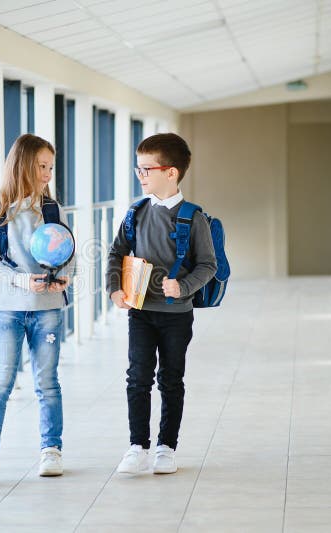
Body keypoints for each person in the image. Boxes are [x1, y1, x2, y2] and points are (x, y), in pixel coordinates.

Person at [106, 133, 217, 474]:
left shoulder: (192, 218)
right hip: (140, 312)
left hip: (176, 316)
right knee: (137, 378)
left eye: (146, 169)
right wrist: (114, 290)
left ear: (171, 172)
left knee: (170, 379)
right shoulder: (136, 213)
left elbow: (208, 265)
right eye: (138, 169)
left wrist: (182, 286)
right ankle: (137, 445)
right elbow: (116, 254)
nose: (140, 175)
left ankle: (167, 447)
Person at [0, 134, 74, 480]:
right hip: (7, 309)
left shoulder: (53, 209)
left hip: (48, 308)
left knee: (47, 382)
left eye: (50, 167)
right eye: (41, 166)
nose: (47, 173)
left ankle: (51, 450)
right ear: (23, 166)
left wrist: (64, 277)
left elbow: (67, 252)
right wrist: (20, 281)